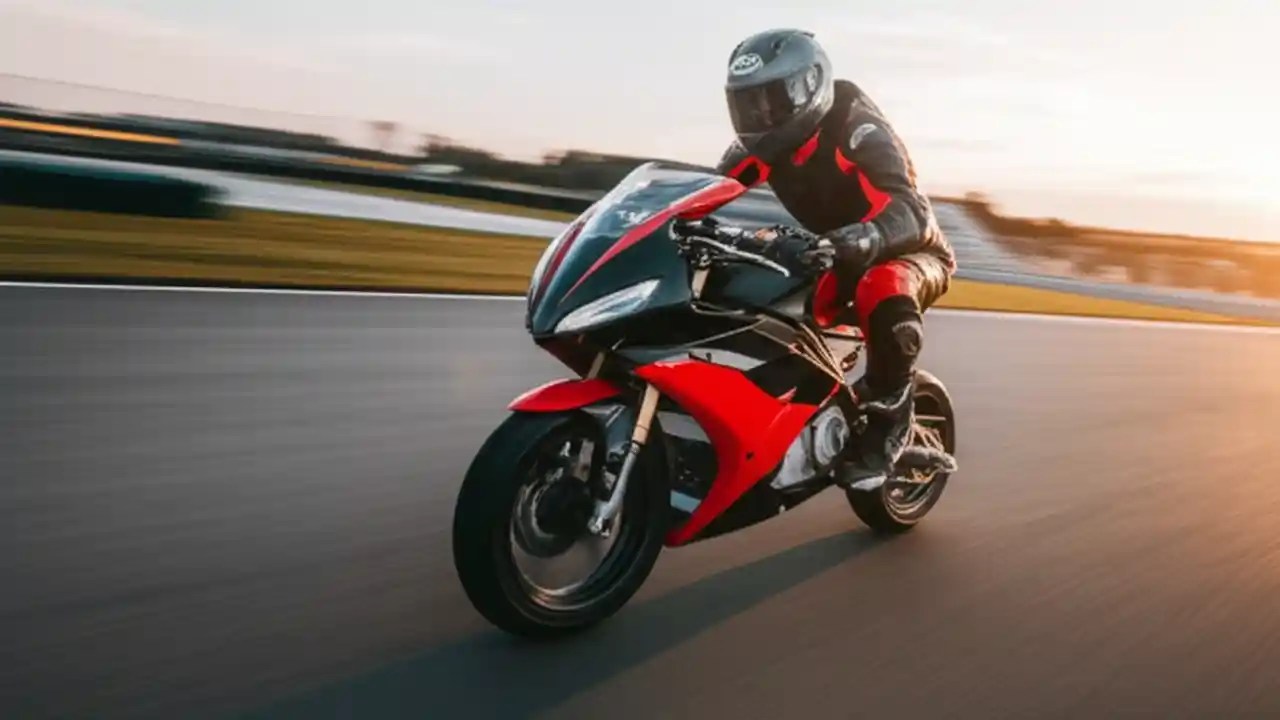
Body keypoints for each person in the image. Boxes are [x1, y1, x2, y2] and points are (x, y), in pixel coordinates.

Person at [715, 28, 957, 490]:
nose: (762, 116)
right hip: (838, 252)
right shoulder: (764, 146)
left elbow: (915, 212)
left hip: (909, 251)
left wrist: (869, 236)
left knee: (880, 285)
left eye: (774, 101)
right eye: (749, 105)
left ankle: (890, 416)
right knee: (758, 281)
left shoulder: (858, 129)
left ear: (812, 86)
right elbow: (705, 191)